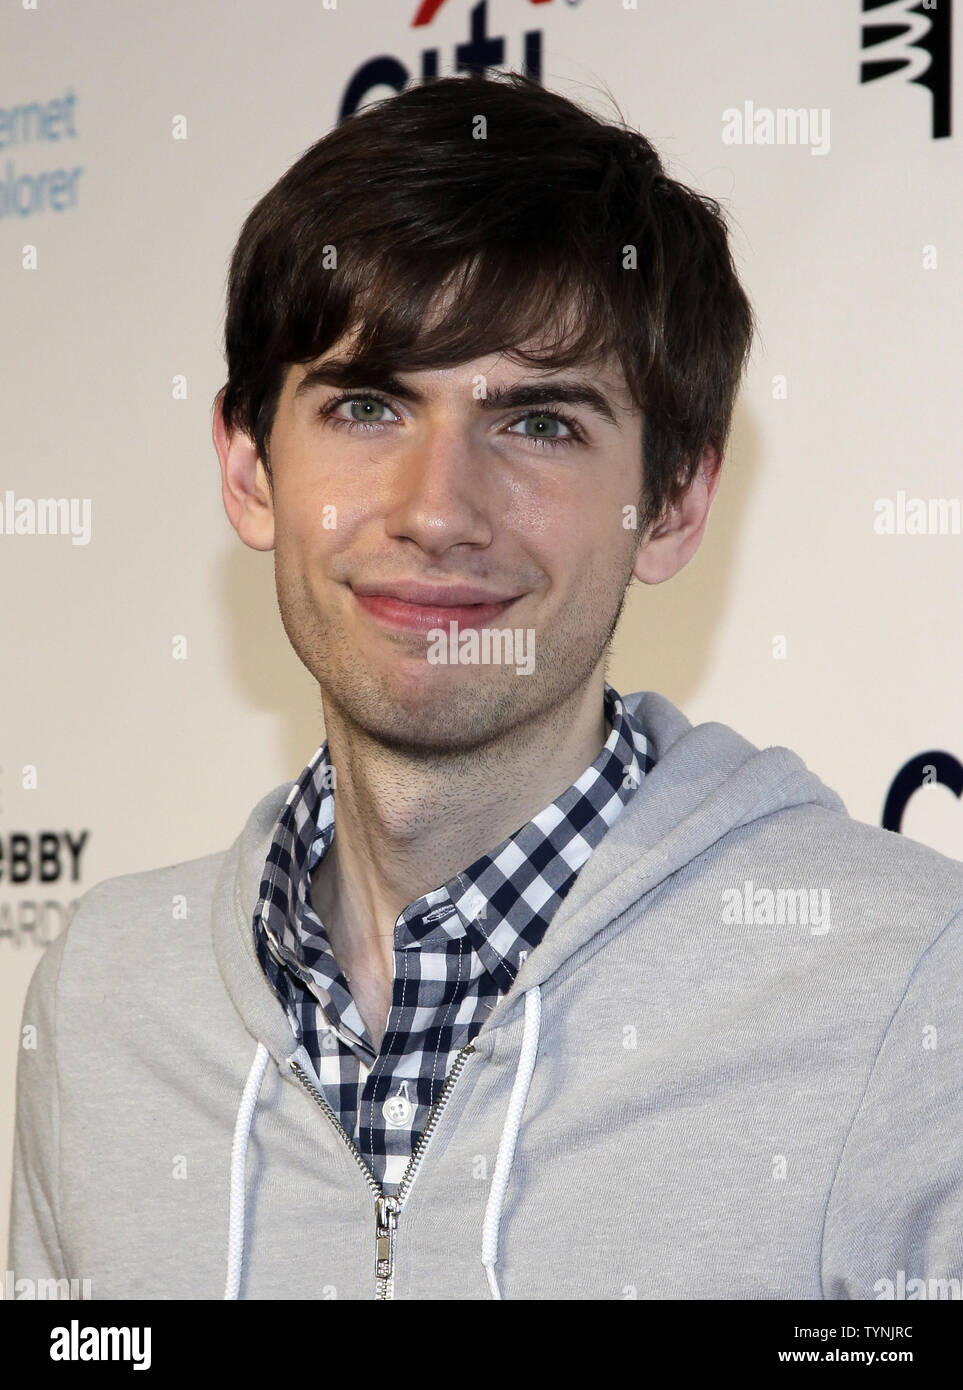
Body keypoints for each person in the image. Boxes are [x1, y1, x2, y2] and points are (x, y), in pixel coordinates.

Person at [9, 70, 962, 1302]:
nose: (436, 511)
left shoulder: (907, 986)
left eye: (540, 424)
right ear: (249, 471)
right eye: (366, 405)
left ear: (671, 505)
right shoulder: (104, 998)